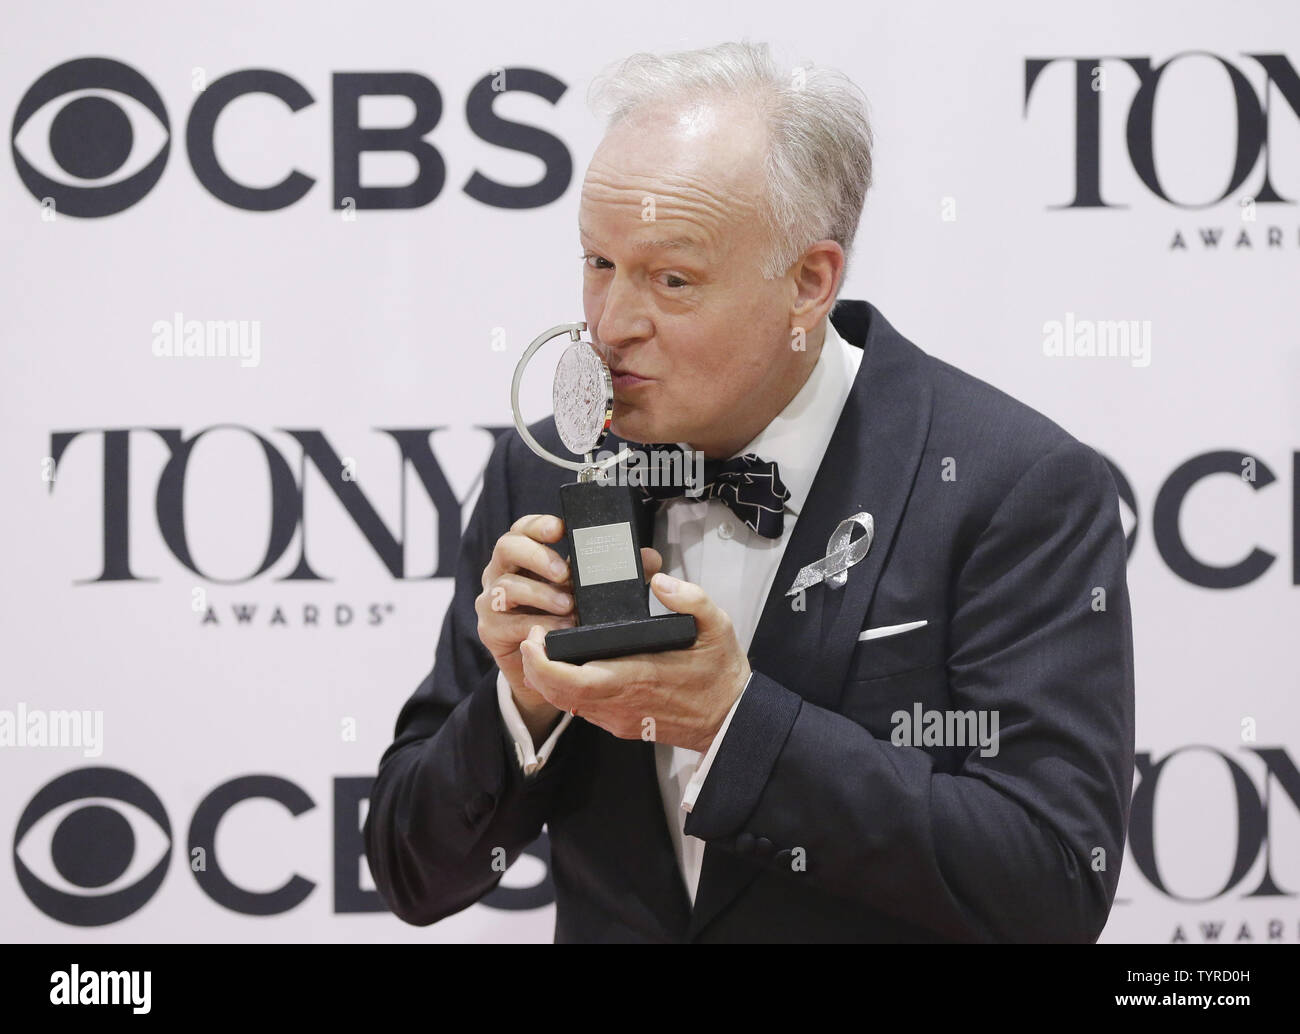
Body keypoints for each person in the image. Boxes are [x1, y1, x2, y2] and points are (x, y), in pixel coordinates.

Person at [363, 40, 1135, 942]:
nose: (610, 327)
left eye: (672, 279)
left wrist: (735, 725)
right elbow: (412, 872)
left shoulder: (1010, 488)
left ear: (810, 282)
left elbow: (1050, 887)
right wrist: (525, 701)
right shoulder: (545, 471)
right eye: (599, 264)